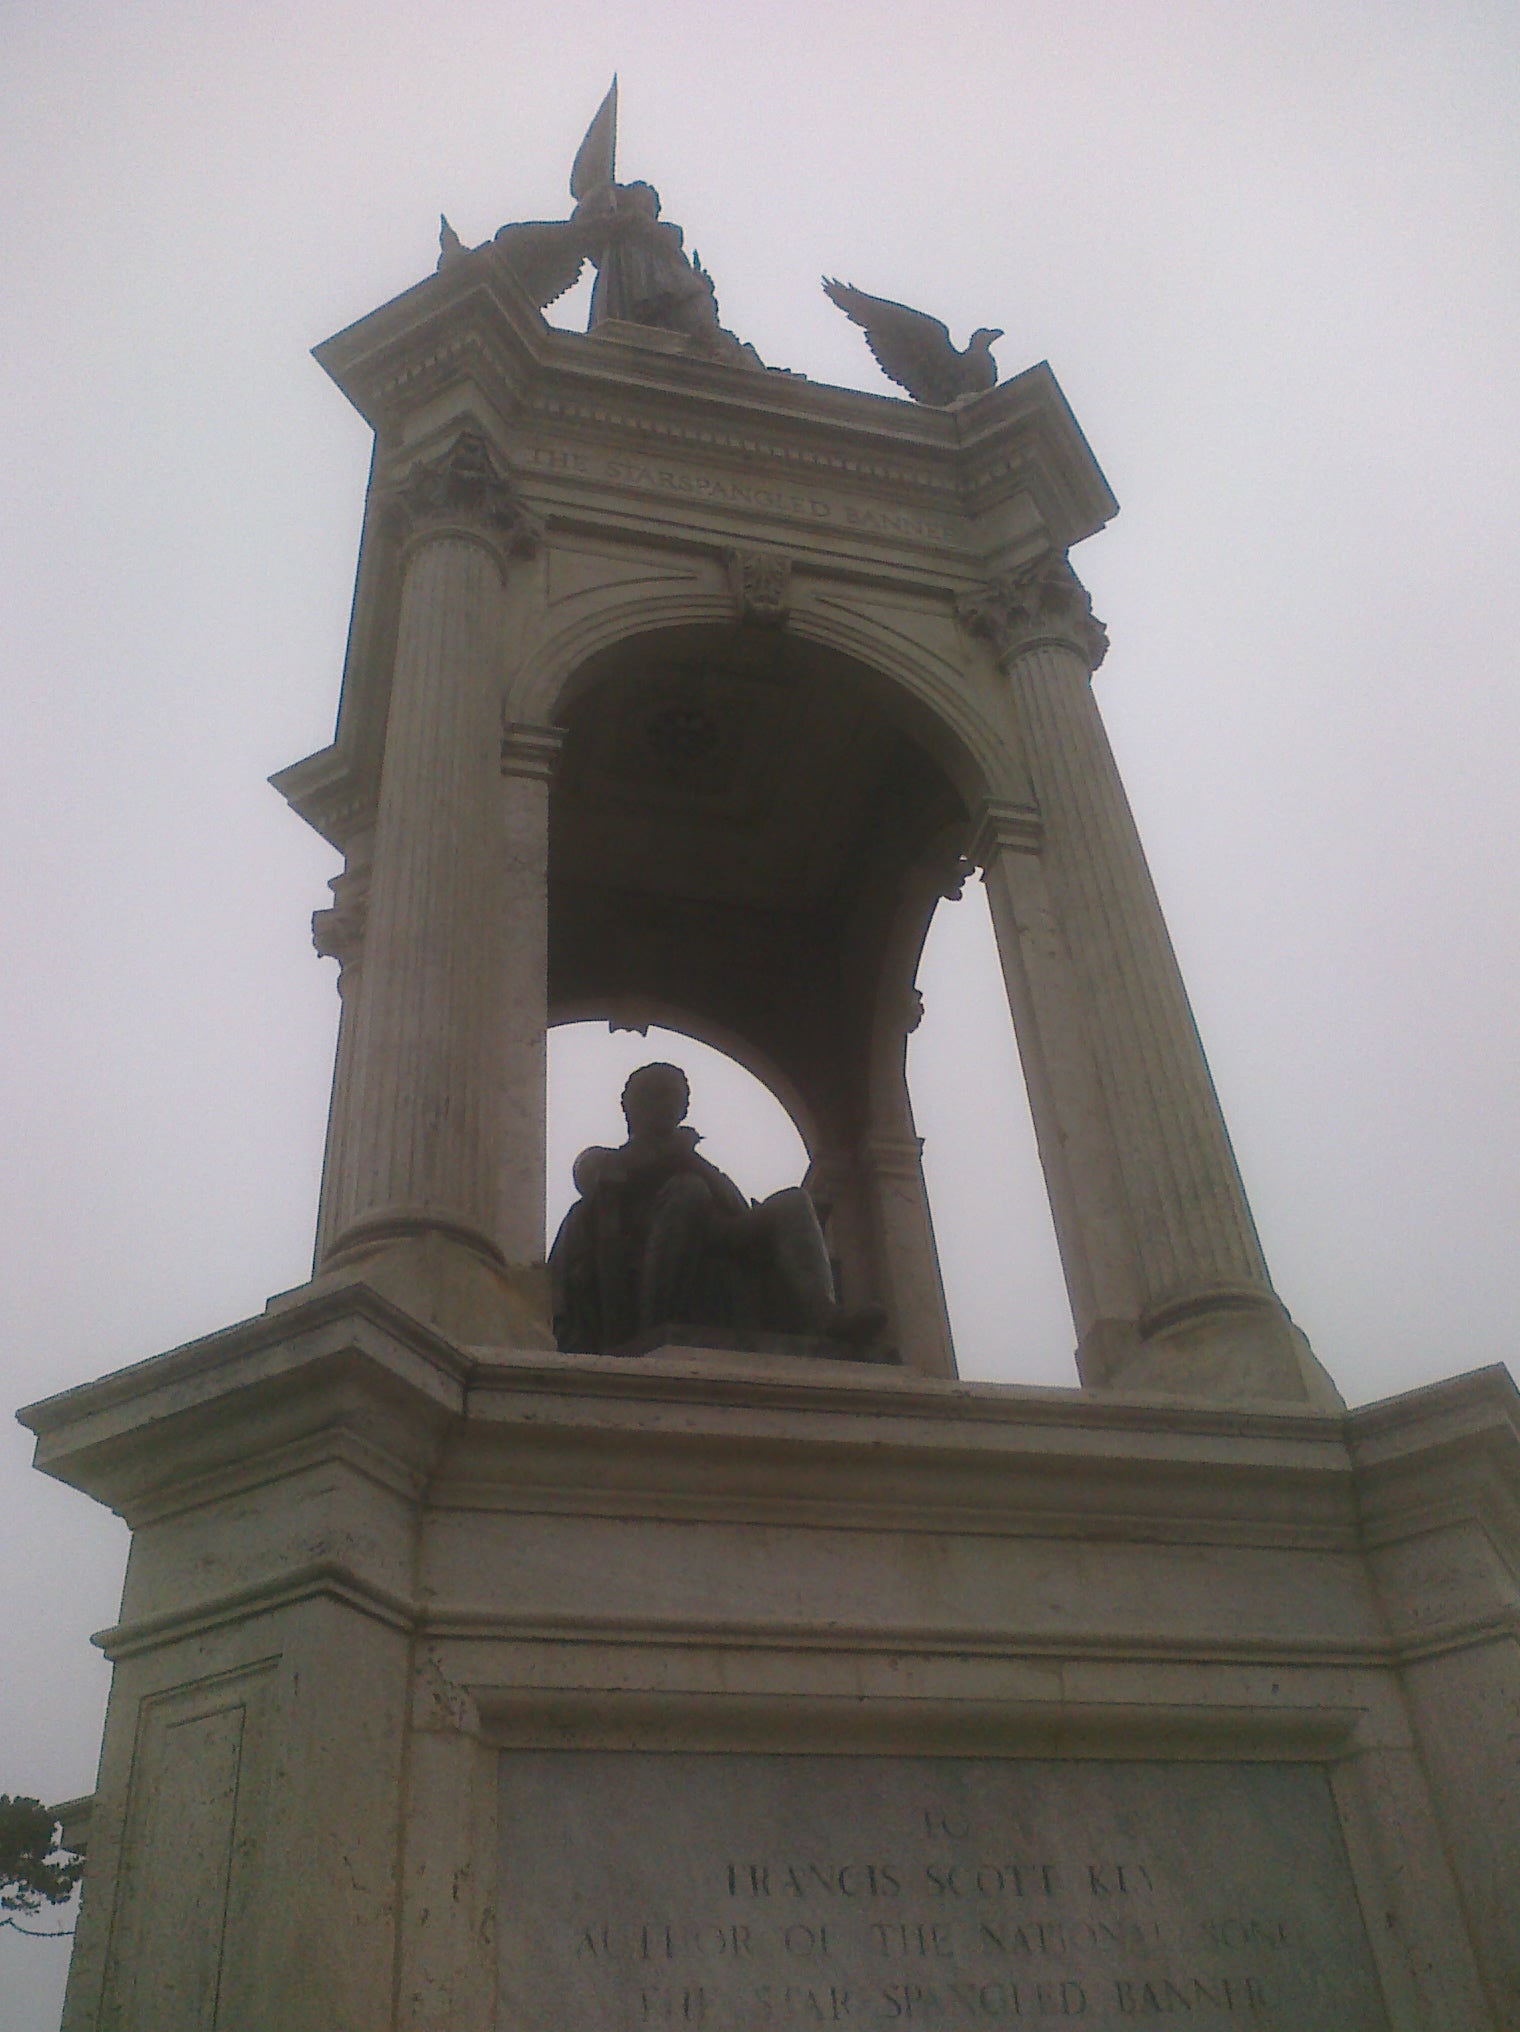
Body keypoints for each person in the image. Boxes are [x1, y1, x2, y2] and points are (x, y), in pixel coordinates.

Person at [549, 1063, 884, 1356]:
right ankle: (658, 1324)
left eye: (675, 1096)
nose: (667, 1104)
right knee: (688, 1190)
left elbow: (733, 1203)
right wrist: (677, 1157)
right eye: (656, 1094)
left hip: (715, 1236)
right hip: (645, 1246)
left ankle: (823, 1316)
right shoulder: (605, 1157)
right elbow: (596, 1179)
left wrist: (691, 1159)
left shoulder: (692, 1160)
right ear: (630, 1105)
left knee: (793, 1201)